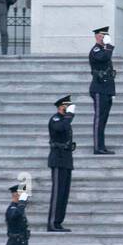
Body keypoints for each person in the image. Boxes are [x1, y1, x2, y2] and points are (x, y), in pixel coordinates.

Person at [46, 95, 75, 232]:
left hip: (66, 159)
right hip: (58, 158)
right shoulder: (56, 119)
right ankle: (52, 223)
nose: (68, 107)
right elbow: (60, 129)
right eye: (66, 105)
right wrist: (69, 116)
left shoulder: (65, 120)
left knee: (64, 193)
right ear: (60, 106)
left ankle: (58, 222)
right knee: (58, 193)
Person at [88, 26, 116, 155]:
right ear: (97, 36)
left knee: (103, 119)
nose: (104, 37)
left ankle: (102, 146)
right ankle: (97, 147)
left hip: (106, 88)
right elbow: (104, 58)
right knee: (99, 119)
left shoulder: (103, 49)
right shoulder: (96, 50)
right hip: (99, 88)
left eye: (106, 35)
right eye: (102, 35)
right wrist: (109, 45)